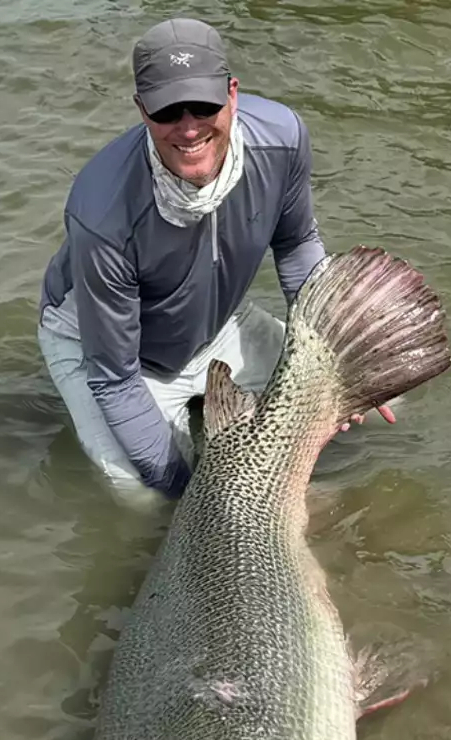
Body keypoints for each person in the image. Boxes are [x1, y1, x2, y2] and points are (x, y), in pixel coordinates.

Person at [38, 17, 390, 502]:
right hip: (114, 354)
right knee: (145, 502)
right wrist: (197, 500)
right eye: (167, 111)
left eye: (204, 105)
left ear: (233, 93)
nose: (188, 129)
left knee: (368, 403)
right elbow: (115, 379)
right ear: (142, 111)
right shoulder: (102, 213)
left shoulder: (282, 140)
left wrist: (338, 352)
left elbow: (296, 245)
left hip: (218, 321)